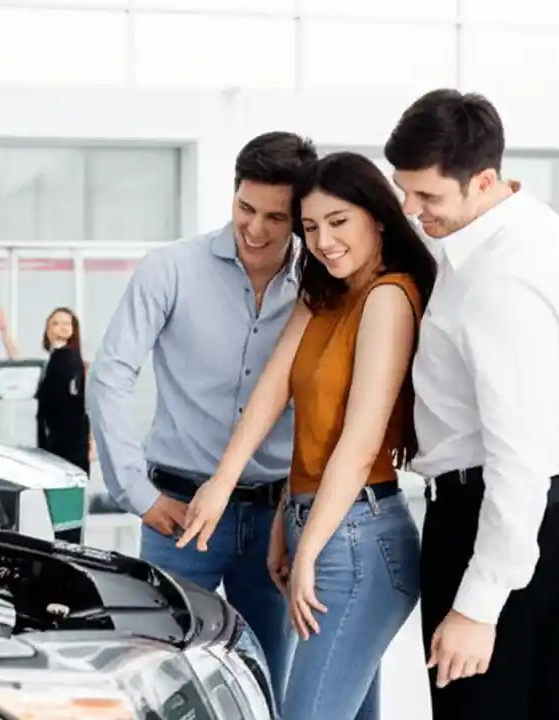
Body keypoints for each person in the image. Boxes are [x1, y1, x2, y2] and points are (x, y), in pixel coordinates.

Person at [180, 152, 437, 719]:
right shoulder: (322, 295)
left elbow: (359, 442)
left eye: (339, 221)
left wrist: (308, 552)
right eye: (312, 227)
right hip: (316, 521)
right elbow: (273, 394)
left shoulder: (389, 298)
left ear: (377, 216)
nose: (323, 241)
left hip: (358, 541)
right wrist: (275, 512)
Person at [384, 89, 559, 719]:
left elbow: (519, 454)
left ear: (482, 180)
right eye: (404, 190)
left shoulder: (501, 276)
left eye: (428, 196)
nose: (411, 209)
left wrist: (476, 607)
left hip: (499, 511)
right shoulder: (524, 222)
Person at [87, 131, 318, 701]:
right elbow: (111, 375)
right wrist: (136, 493)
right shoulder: (171, 269)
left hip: (274, 520)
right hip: (178, 512)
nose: (256, 229)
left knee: (264, 682)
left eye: (275, 216)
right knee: (159, 681)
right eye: (245, 208)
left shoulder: (318, 288)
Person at [0, 305, 91, 471]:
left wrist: (91, 443)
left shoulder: (73, 362)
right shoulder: (52, 364)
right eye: (55, 323)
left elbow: (88, 406)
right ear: (47, 330)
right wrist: (4, 332)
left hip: (69, 449)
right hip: (51, 445)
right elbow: (22, 368)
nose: (62, 327)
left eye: (67, 323)